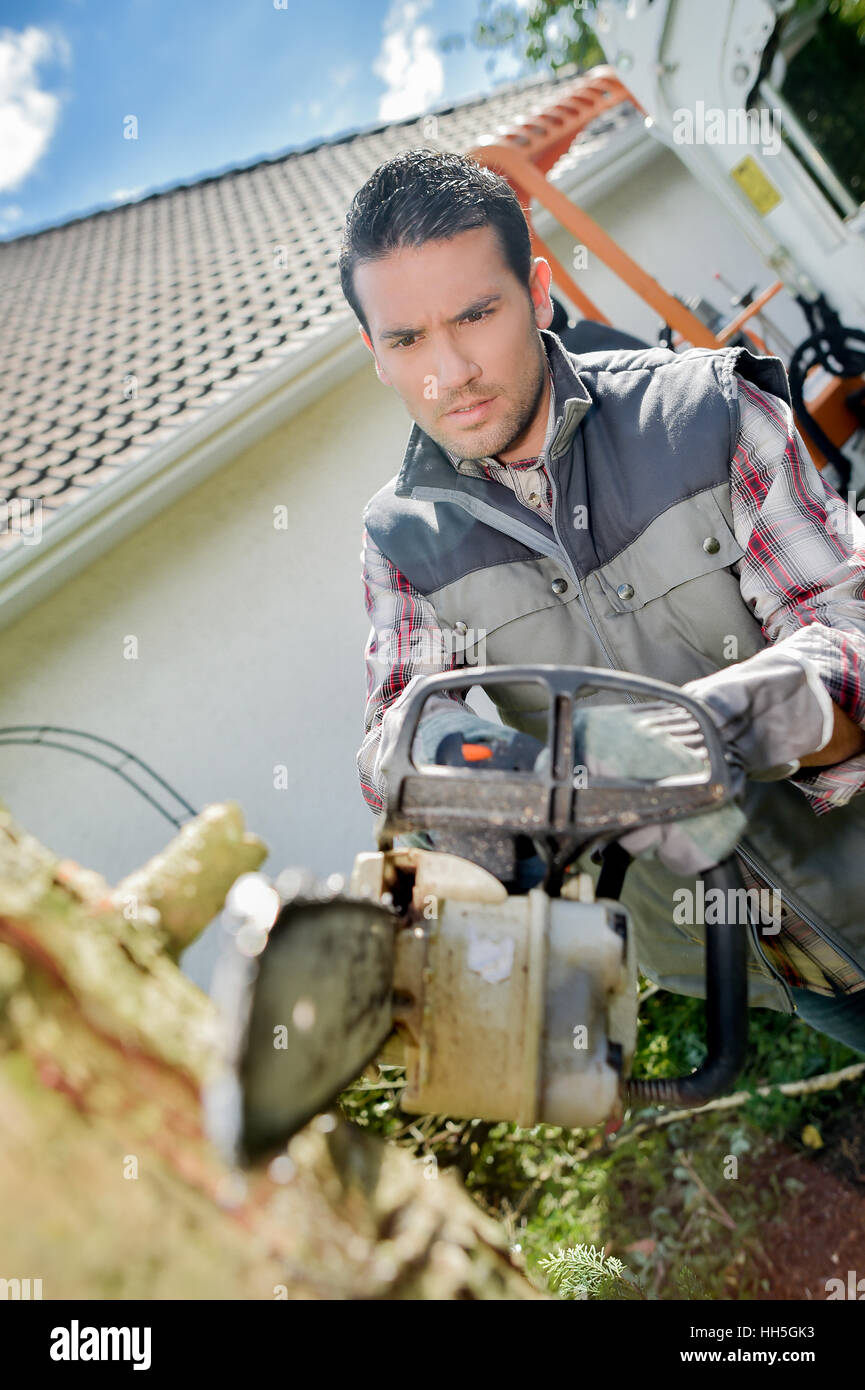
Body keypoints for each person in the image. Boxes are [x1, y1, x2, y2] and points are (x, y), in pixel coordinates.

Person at [337, 148, 865, 1054]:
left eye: (476, 313)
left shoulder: (705, 411)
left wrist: (717, 725)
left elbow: (847, 627)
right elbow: (390, 750)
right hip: (776, 960)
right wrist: (501, 774)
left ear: (538, 294)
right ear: (375, 356)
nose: (451, 370)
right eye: (407, 338)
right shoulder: (400, 542)